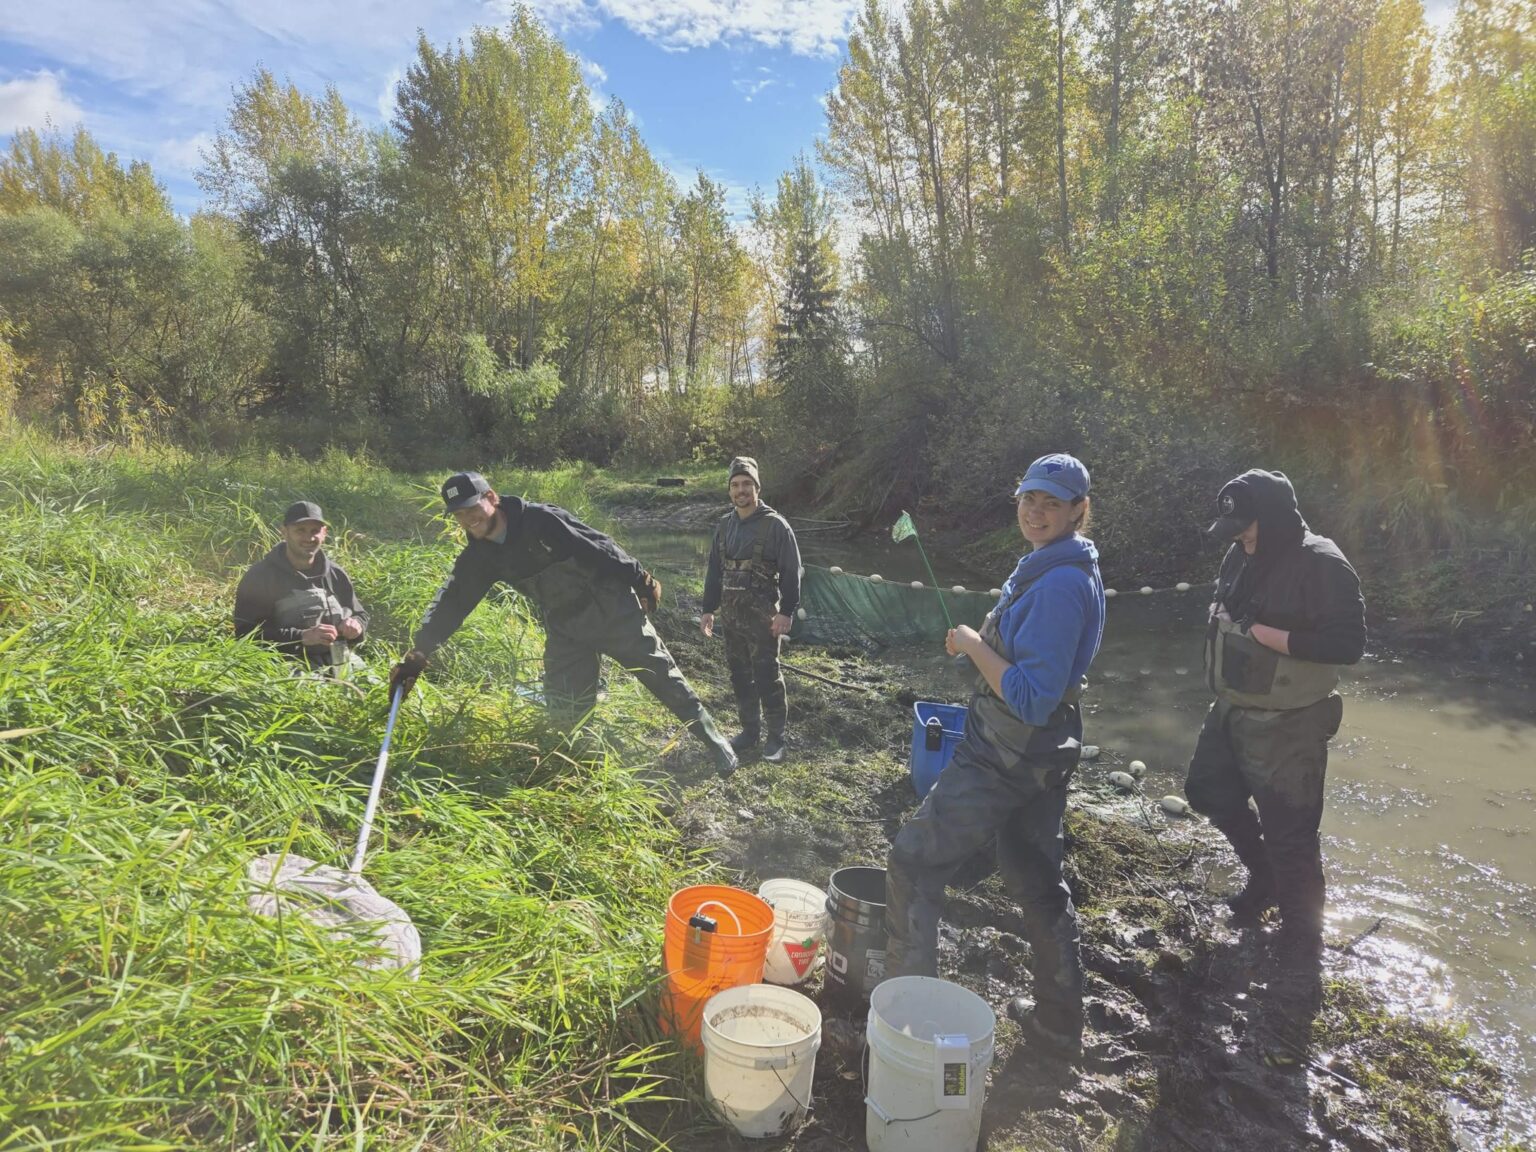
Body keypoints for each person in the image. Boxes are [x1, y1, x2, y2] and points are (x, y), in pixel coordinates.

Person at [883, 453, 1105, 1058]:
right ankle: (1060, 1023)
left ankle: (909, 1022)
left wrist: (978, 643)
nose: (1035, 511)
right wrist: (979, 646)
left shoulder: (1060, 584)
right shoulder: (1057, 563)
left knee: (913, 861)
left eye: (1051, 503)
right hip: (1043, 752)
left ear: (1079, 511)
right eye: (1028, 498)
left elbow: (1031, 697)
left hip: (1006, 752)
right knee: (1036, 881)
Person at [388, 472, 738, 776]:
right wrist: (419, 652)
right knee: (562, 704)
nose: (468, 520)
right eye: (459, 515)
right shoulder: (479, 557)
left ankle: (714, 741)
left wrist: (641, 579)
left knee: (662, 676)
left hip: (613, 610)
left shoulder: (540, 520)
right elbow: (453, 602)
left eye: (472, 509)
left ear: (491, 498)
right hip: (566, 626)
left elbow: (599, 546)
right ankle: (579, 765)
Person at [1184, 469, 1365, 965]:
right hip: (1234, 706)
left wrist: (1271, 635)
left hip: (1291, 720)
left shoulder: (1322, 563)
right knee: (1206, 792)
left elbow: (1349, 645)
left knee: (1291, 832)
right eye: (1234, 529)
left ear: (1278, 518)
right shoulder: (1241, 550)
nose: (1240, 537)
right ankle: (1263, 876)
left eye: (1248, 527)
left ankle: (1303, 941)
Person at [699, 456, 803, 763]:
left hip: (764, 619)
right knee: (739, 675)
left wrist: (787, 612)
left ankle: (776, 738)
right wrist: (708, 609)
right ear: (729, 490)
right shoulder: (723, 526)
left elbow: (791, 572)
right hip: (731, 619)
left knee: (767, 674)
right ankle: (749, 731)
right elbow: (714, 571)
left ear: (757, 487)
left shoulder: (776, 526)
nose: (740, 490)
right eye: (735, 485)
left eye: (747, 484)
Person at [233, 501, 368, 671]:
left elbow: (360, 614)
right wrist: (302, 637)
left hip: (341, 658)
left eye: (315, 531)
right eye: (300, 530)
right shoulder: (260, 576)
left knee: (378, 689)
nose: (309, 538)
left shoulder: (336, 573)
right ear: (284, 532)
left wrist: (356, 625)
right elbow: (245, 634)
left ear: (324, 533)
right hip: (287, 664)